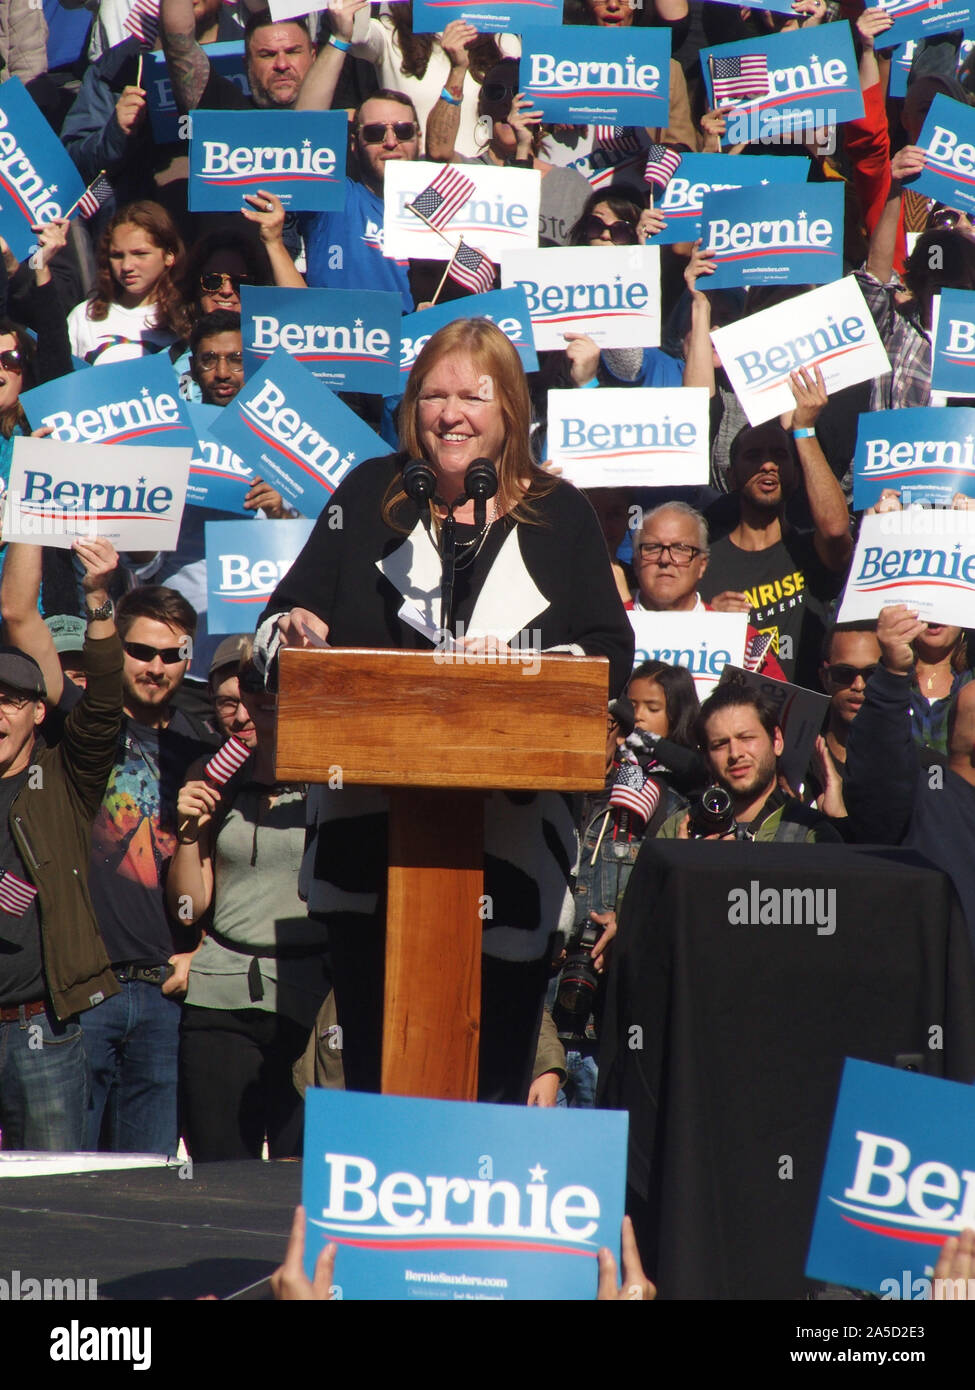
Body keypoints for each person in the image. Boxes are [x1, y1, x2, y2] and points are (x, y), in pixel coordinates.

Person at [253, 318, 634, 1102]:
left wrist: (522, 673)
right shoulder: (368, 493)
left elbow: (608, 660)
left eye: (472, 395)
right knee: (376, 1078)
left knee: (491, 1085)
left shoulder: (559, 515)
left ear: (508, 412)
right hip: (369, 854)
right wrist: (289, 635)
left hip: (514, 856)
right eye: (433, 395)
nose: (450, 414)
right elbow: (271, 630)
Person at [0, 551, 216, 1153]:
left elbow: (206, 888)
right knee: (68, 1185)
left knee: (147, 1194)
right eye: (141, 651)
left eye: (172, 655)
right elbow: (19, 617)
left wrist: (199, 952)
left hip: (162, 996)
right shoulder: (81, 721)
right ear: (116, 649)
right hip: (82, 992)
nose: (155, 667)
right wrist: (32, 524)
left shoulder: (201, 748)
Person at [167, 657, 329, 1161]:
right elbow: (191, 909)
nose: (243, 716)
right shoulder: (211, 777)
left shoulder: (332, 777)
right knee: (219, 1171)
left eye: (259, 700)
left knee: (297, 1176)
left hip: (307, 1000)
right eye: (230, 703)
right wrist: (190, 835)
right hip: (220, 994)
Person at [0, 537, 123, 1151]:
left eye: (13, 701)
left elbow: (102, 706)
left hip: (40, 1029)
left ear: (38, 714)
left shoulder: (62, 781)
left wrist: (98, 600)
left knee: (56, 1203)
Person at [696, 369, 853, 688]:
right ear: (732, 475)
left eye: (779, 456)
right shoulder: (703, 562)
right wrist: (709, 621)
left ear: (796, 473)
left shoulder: (811, 551)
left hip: (804, 722)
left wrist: (804, 429)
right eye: (754, 456)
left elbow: (837, 531)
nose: (768, 465)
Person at [657, 683, 840, 842]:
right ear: (706, 758)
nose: (735, 753)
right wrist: (683, 863)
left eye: (746, 738)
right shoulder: (678, 828)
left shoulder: (811, 833)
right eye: (720, 744)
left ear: (776, 741)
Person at [629, 503, 787, 679]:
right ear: (635, 562)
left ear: (702, 565)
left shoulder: (740, 639)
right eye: (652, 548)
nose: (665, 559)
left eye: (680, 549)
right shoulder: (609, 628)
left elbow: (776, 703)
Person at [301, 88, 421, 313]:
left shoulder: (440, 208)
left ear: (419, 139)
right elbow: (304, 127)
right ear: (355, 144)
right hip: (340, 341)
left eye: (403, 130)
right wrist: (339, 50)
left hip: (411, 341)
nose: (390, 142)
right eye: (375, 133)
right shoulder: (335, 198)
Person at [67, 200, 191, 365]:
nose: (126, 266)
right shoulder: (84, 317)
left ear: (169, 255)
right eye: (117, 255)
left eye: (139, 254)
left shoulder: (187, 316)